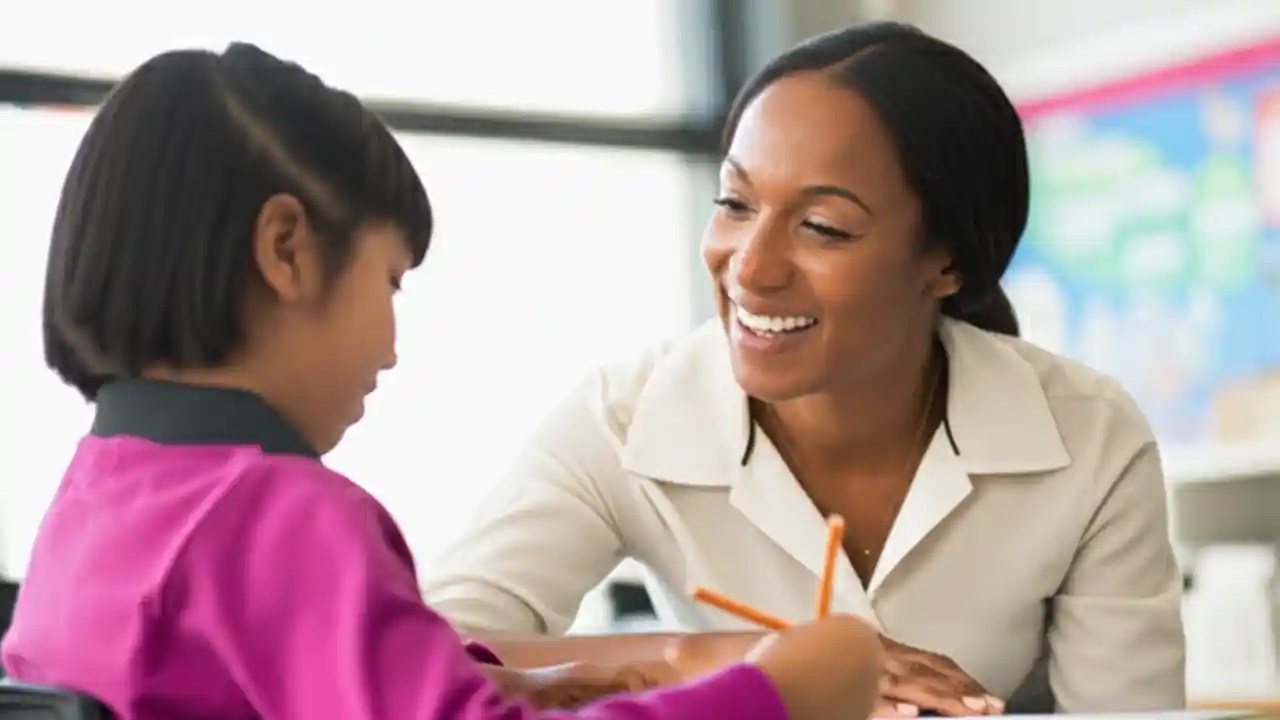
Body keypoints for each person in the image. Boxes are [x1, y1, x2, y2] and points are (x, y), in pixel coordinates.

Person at [0, 43, 886, 720]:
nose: (390, 350)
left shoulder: (99, 498)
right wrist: (774, 693)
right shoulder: (280, 517)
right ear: (286, 250)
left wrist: (532, 688)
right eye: (388, 282)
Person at [424, 21, 1187, 717]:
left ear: (946, 261)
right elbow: (425, 667)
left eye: (824, 226)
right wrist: (725, 662)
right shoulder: (624, 418)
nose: (750, 269)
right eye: (734, 203)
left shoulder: (1087, 435)